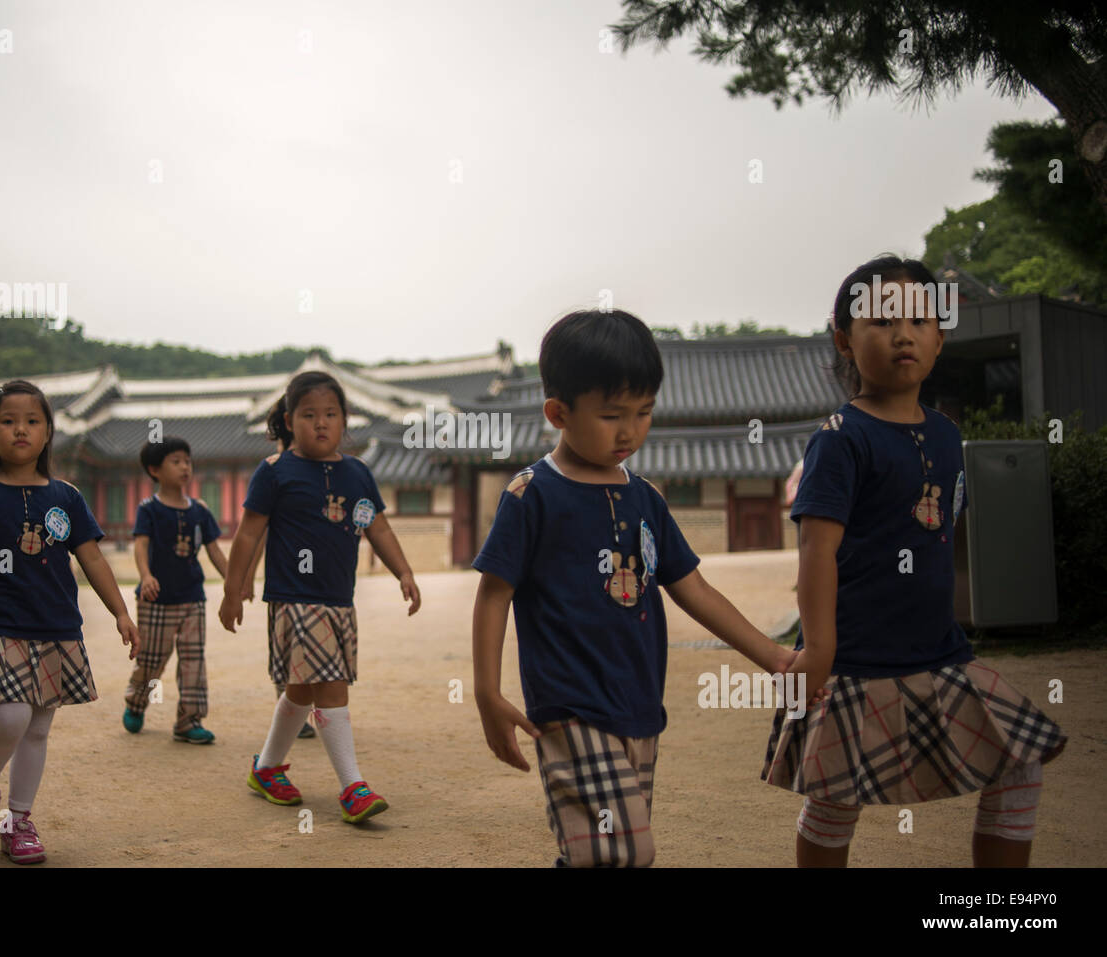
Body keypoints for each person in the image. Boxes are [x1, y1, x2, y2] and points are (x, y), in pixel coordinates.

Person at [472, 309, 809, 867]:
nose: (630, 431)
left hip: (639, 705)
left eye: (644, 412)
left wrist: (775, 656)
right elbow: (493, 594)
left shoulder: (646, 498)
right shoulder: (532, 494)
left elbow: (692, 588)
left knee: (607, 855)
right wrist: (487, 692)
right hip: (569, 707)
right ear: (558, 412)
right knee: (627, 851)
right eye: (611, 415)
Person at [763, 256, 1066, 867]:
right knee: (833, 800)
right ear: (845, 340)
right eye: (881, 319)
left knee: (1021, 766)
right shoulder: (839, 438)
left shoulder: (947, 434)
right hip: (853, 658)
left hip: (940, 654)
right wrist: (818, 652)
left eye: (919, 320)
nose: (903, 333)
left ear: (940, 336)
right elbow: (816, 551)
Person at [0, 379, 139, 864]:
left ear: (47, 433)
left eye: (32, 421)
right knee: (10, 717)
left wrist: (121, 612)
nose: (20, 429)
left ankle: (18, 819)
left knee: (39, 730)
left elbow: (92, 559)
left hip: (57, 627)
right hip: (0, 625)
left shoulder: (66, 496)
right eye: (8, 420)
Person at [218, 371, 421, 823]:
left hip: (338, 599)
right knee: (331, 685)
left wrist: (403, 571)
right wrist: (234, 590)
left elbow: (377, 526)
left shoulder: (358, 474)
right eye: (309, 415)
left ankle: (266, 769)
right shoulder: (275, 473)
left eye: (331, 414)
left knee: (302, 690)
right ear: (290, 421)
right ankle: (353, 787)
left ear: (345, 420)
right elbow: (249, 533)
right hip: (294, 598)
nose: (321, 423)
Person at [122, 436, 227, 743]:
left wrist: (234, 582)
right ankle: (137, 702)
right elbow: (140, 545)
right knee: (153, 659)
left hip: (193, 596)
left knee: (194, 658)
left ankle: (188, 720)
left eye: (187, 461)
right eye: (176, 461)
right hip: (156, 599)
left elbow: (215, 552)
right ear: (155, 469)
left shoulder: (200, 510)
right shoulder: (149, 510)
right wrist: (146, 575)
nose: (185, 467)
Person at [237, 437, 315, 739]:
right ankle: (294, 715)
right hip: (285, 582)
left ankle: (320, 710)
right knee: (287, 650)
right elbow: (258, 533)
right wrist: (246, 577)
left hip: (320, 582)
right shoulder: (275, 472)